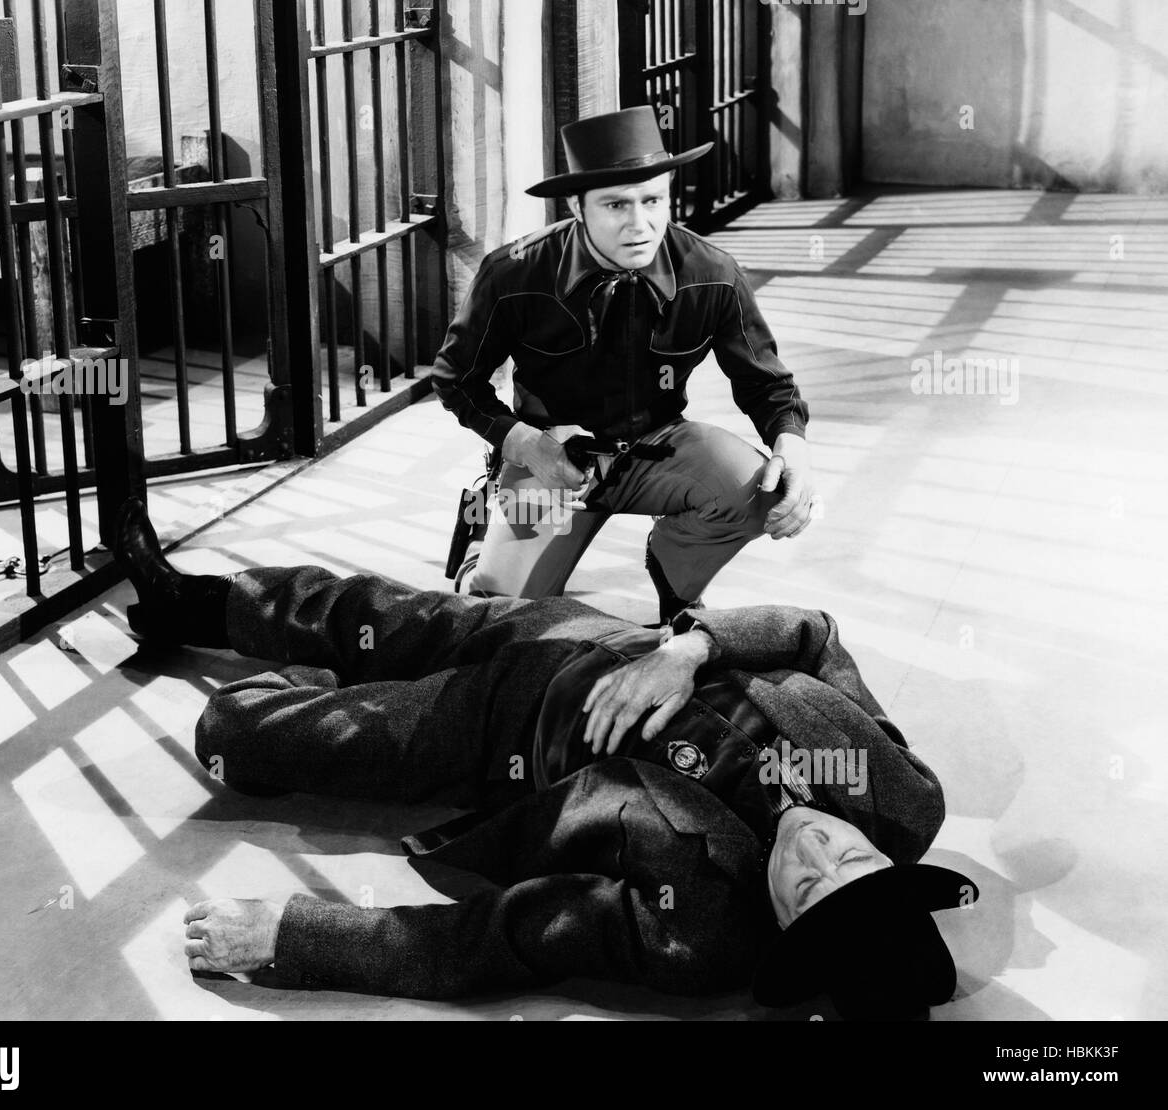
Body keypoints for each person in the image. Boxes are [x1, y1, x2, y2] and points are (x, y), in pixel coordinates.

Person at [114, 499, 976, 1018]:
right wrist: (689, 649)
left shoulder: (702, 927)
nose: (814, 849)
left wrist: (296, 936)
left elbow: (503, 940)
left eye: (805, 886)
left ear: (781, 924)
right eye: (850, 857)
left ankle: (334, 680)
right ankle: (190, 602)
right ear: (889, 856)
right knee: (376, 610)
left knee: (239, 740)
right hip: (589, 637)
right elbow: (814, 635)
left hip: (500, 736)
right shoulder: (904, 797)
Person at [431, 105, 815, 622]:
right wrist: (524, 444)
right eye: (616, 205)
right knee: (498, 619)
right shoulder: (512, 274)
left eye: (653, 200)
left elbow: (766, 385)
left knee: (755, 493)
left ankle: (677, 579)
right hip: (552, 455)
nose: (640, 224)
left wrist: (794, 450)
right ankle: (482, 551)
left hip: (656, 446)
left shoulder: (713, 273)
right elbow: (457, 380)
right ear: (576, 205)